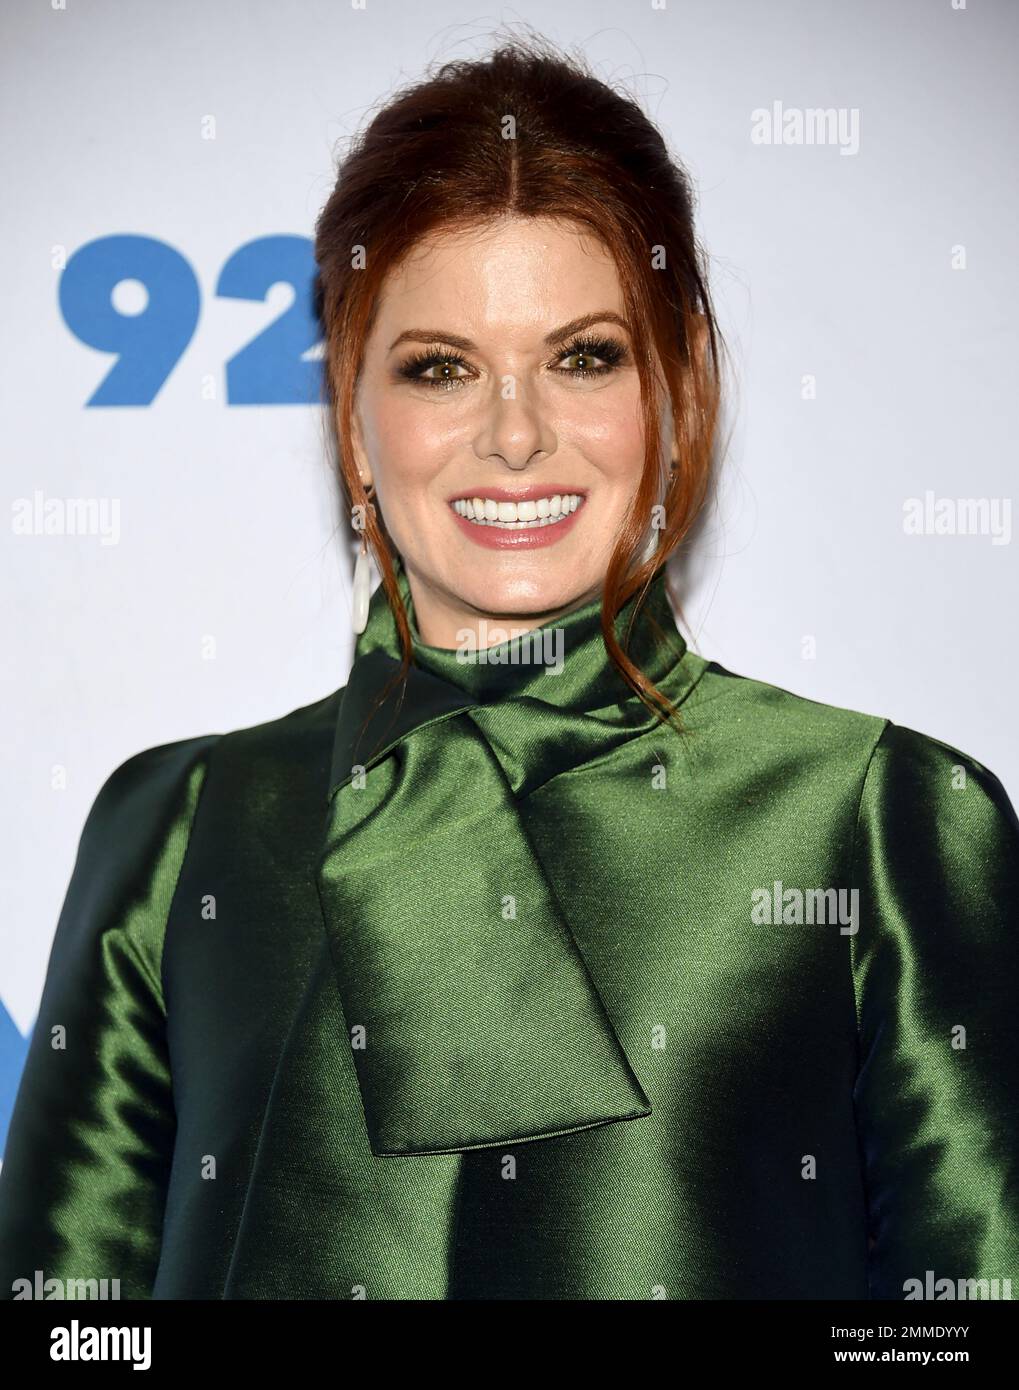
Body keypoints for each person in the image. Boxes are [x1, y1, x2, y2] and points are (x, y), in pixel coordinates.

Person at [2, 36, 1017, 1302]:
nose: (515, 433)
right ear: (351, 419)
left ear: (678, 385)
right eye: (440, 367)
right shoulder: (181, 826)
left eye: (582, 356)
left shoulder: (878, 816)